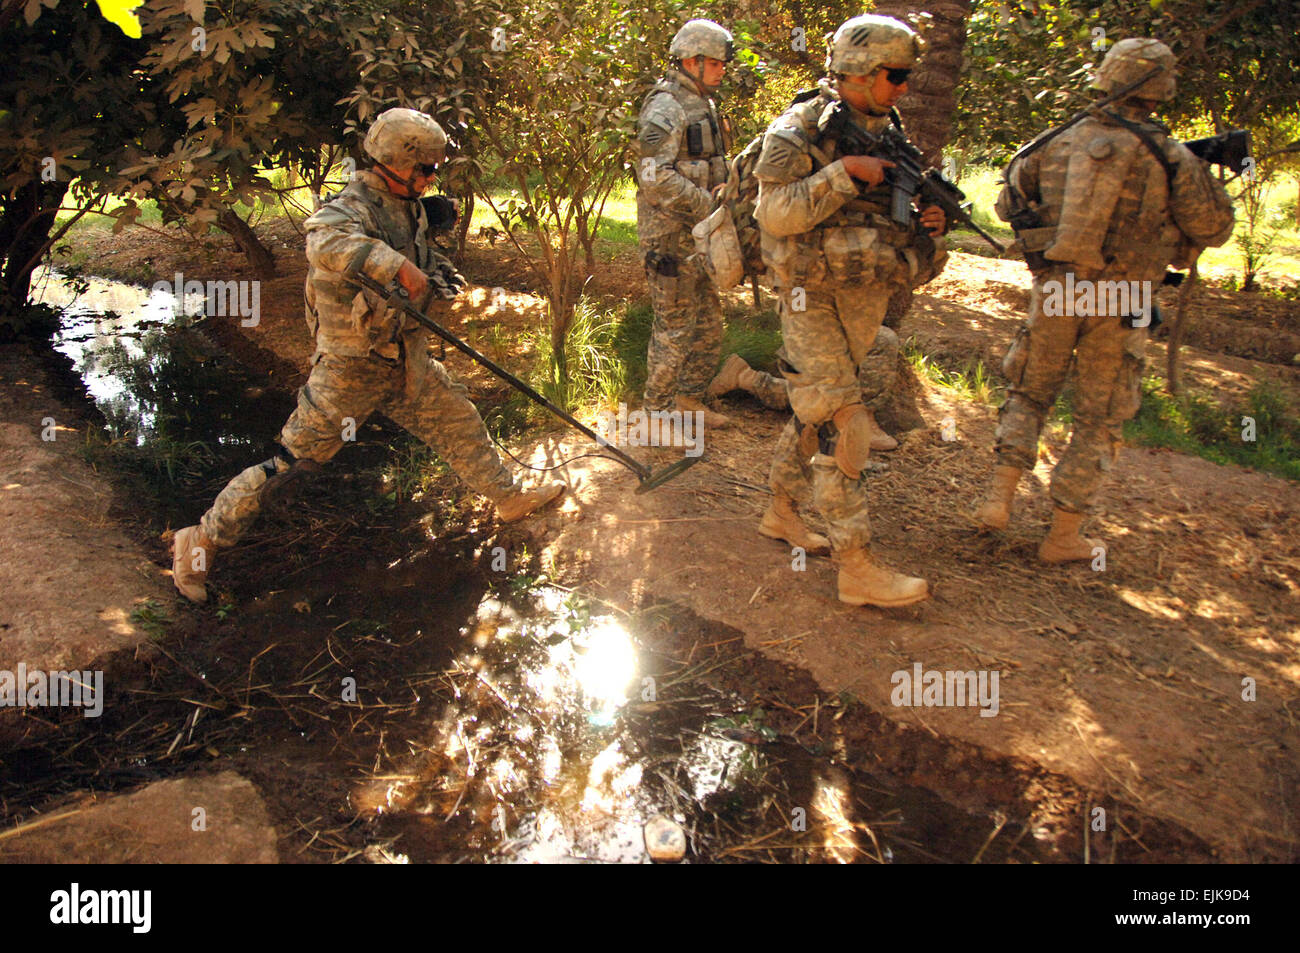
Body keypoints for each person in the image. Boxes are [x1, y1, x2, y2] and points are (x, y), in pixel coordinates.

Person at [170, 108, 564, 603]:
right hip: (349, 369)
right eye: (426, 169)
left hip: (404, 359)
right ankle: (199, 541)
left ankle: (508, 498)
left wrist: (435, 269)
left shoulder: (410, 204)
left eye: (436, 168)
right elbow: (325, 243)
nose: (432, 177)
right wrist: (396, 266)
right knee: (291, 468)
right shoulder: (348, 207)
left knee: (458, 417)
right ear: (396, 163)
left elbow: (414, 256)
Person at [975, 38, 1234, 562]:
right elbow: (1213, 228)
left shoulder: (1053, 141)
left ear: (1107, 76)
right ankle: (1063, 535)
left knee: (1029, 394)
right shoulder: (1171, 156)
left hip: (1057, 289)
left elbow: (1007, 204)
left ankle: (996, 501)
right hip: (1126, 297)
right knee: (1099, 416)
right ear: (1161, 87)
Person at [753, 14, 949, 605]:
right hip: (808, 293)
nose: (904, 87)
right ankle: (856, 566)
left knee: (813, 414)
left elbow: (899, 239)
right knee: (847, 419)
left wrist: (927, 232)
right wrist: (843, 175)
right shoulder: (797, 130)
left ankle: (781, 513)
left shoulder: (893, 136)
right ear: (860, 72)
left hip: (862, 300)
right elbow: (775, 214)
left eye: (908, 77)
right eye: (895, 75)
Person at [636, 18, 738, 431]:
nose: (722, 70)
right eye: (716, 63)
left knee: (709, 322)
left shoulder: (704, 103)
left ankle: (688, 399)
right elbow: (652, 177)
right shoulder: (665, 107)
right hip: (670, 241)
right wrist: (707, 206)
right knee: (674, 329)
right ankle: (656, 414)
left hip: (700, 237)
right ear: (692, 61)